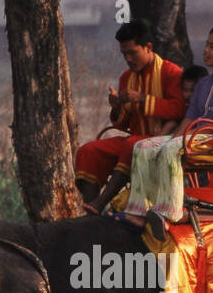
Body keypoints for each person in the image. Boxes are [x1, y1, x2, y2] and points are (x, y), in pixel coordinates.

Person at [121, 26, 213, 242]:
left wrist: (182, 141)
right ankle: (138, 210)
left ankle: (172, 212)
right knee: (144, 146)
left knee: (173, 149)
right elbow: (189, 118)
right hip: (196, 134)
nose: (206, 51)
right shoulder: (204, 83)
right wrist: (172, 139)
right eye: (206, 45)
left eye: (212, 46)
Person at [76, 20, 186, 213]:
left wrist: (142, 99)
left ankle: (100, 203)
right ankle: (91, 213)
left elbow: (179, 109)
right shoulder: (126, 78)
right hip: (134, 139)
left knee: (131, 144)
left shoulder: (171, 72)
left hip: (163, 141)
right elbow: (122, 122)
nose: (127, 59)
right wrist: (117, 107)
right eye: (124, 54)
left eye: (132, 53)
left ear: (148, 47)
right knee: (87, 151)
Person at [157, 65, 208, 136]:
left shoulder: (207, 106)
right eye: (185, 90)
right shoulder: (184, 106)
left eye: (192, 90)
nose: (187, 95)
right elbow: (174, 122)